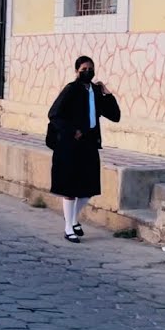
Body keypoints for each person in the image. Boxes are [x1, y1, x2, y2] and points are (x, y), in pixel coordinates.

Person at [46, 55, 121, 243]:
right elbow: (54, 114)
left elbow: (115, 116)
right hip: (70, 145)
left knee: (88, 189)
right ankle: (68, 228)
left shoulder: (95, 91)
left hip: (89, 144)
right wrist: (73, 131)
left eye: (91, 69)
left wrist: (108, 94)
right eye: (84, 69)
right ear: (77, 71)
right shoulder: (71, 90)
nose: (88, 72)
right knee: (70, 188)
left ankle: (72, 219)